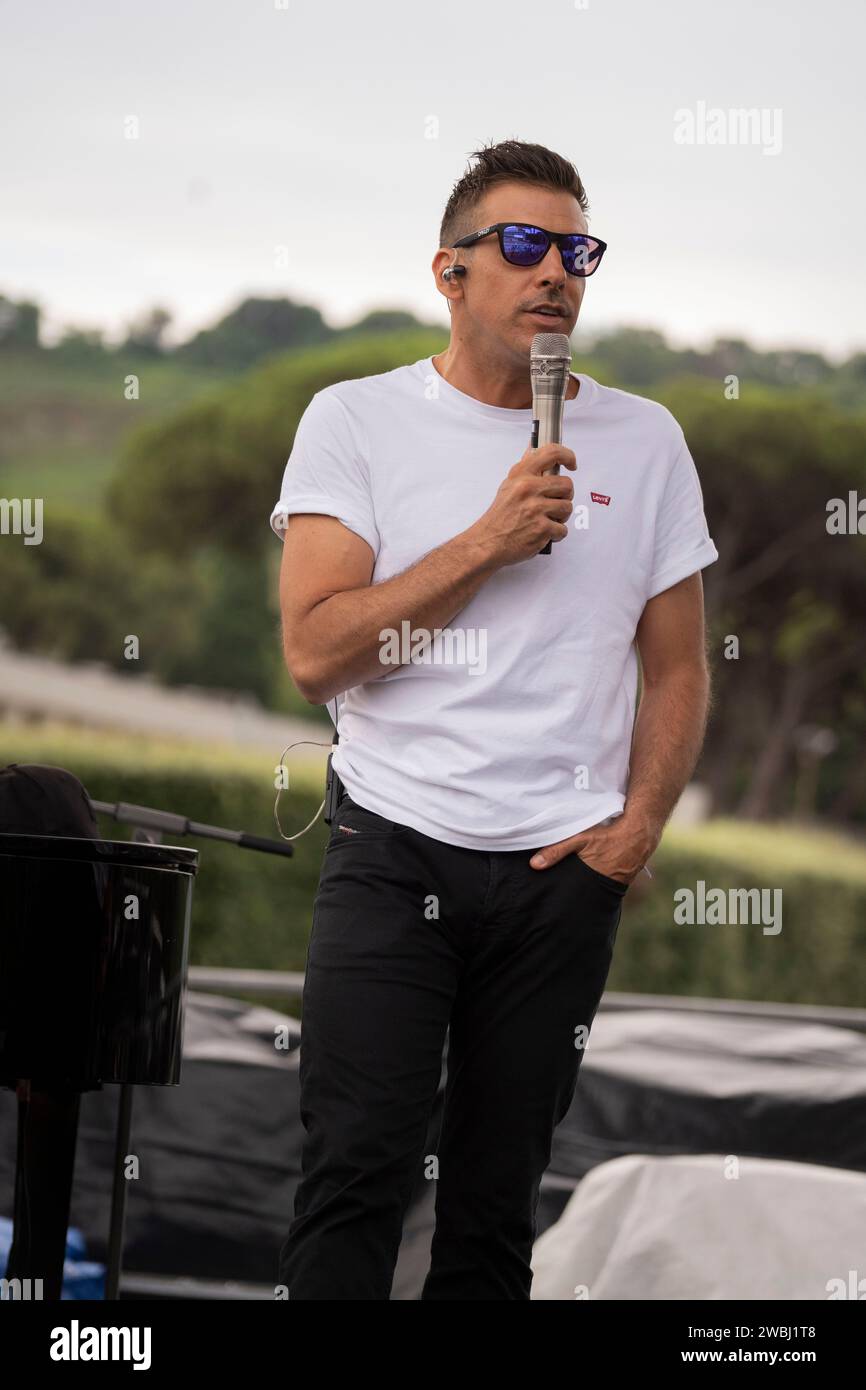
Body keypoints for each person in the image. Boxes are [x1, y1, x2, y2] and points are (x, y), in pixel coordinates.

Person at [269, 139, 718, 1299]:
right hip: (392, 842)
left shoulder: (646, 439)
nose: (553, 272)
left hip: (559, 870)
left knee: (492, 1205)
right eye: (520, 244)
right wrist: (485, 539)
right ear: (448, 271)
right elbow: (316, 653)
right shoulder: (355, 420)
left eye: (576, 250)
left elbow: (675, 669)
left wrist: (631, 840)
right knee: (354, 1172)